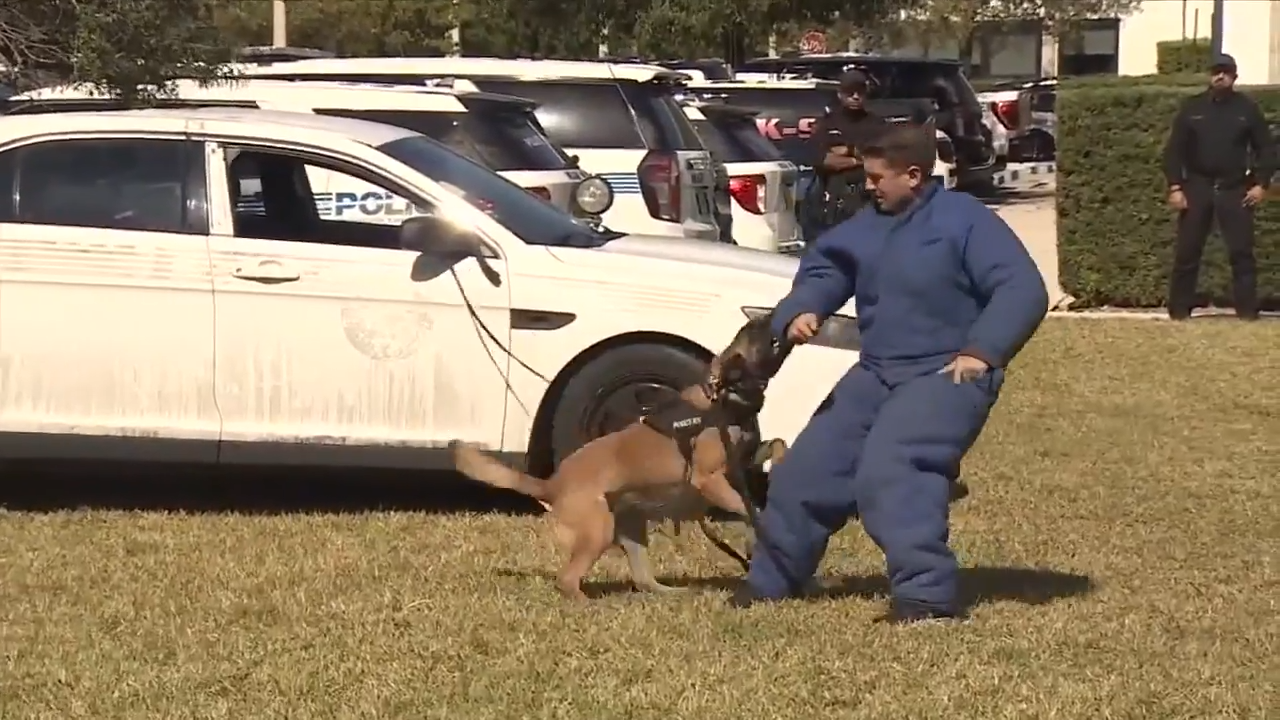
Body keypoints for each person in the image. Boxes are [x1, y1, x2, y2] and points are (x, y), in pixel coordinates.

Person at [730, 124, 1049, 624]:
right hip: (878, 372)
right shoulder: (868, 224)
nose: (870, 185)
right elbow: (826, 269)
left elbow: (1022, 289)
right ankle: (772, 582)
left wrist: (982, 353)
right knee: (803, 472)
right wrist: (802, 308)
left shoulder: (966, 221)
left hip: (945, 374)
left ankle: (926, 598)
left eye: (878, 177)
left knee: (893, 471)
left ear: (915, 175)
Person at [1162, 53, 1276, 321]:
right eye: (1216, 71)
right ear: (1209, 75)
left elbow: (1267, 149)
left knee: (1241, 252)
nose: (1220, 76)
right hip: (1197, 187)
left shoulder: (1247, 109)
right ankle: (1179, 310)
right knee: (1188, 252)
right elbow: (1174, 151)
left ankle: (1247, 312)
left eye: (1226, 72)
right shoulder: (1192, 108)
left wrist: (1261, 184)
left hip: (1234, 188)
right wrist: (1175, 186)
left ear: (1234, 76)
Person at [801, 69, 888, 235]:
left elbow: (880, 157)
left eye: (860, 92)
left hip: (868, 199)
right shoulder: (828, 123)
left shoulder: (877, 124)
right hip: (835, 200)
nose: (855, 96)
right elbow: (823, 160)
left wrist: (846, 152)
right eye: (850, 92)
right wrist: (857, 156)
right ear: (840, 94)